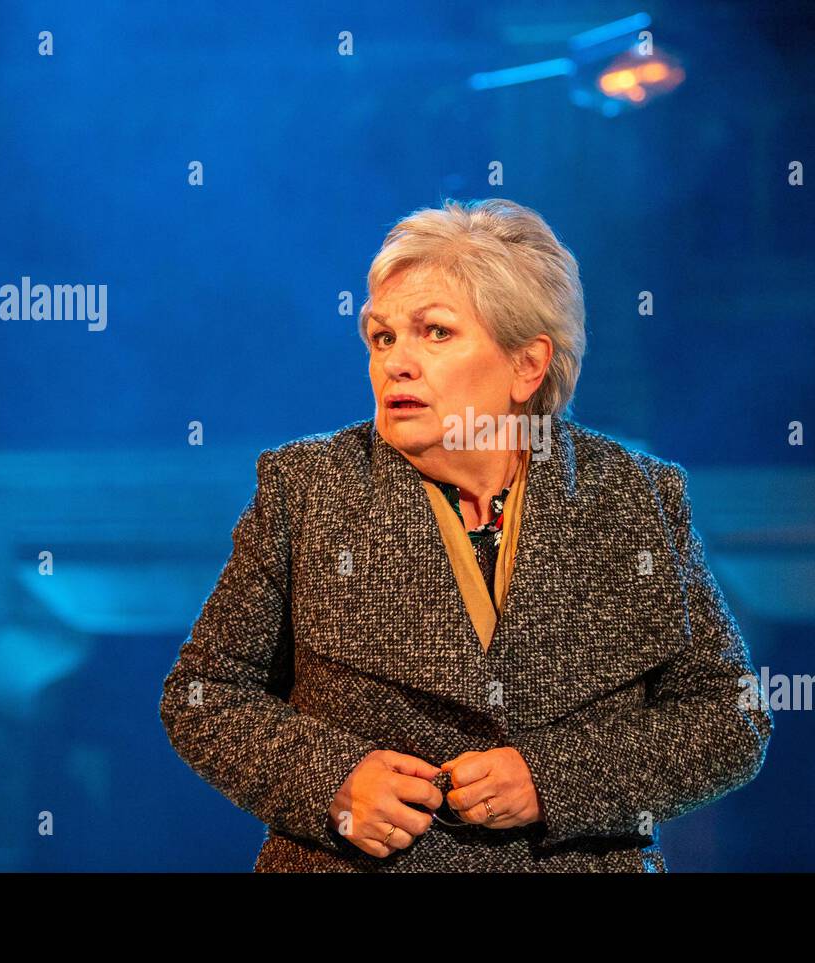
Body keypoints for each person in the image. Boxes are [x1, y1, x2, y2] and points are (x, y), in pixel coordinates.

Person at [158, 197, 772, 871]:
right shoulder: (305, 489)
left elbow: (730, 718)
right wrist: (332, 780)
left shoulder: (635, 496)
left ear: (526, 366)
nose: (396, 362)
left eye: (436, 333)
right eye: (382, 337)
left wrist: (552, 778)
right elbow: (204, 694)